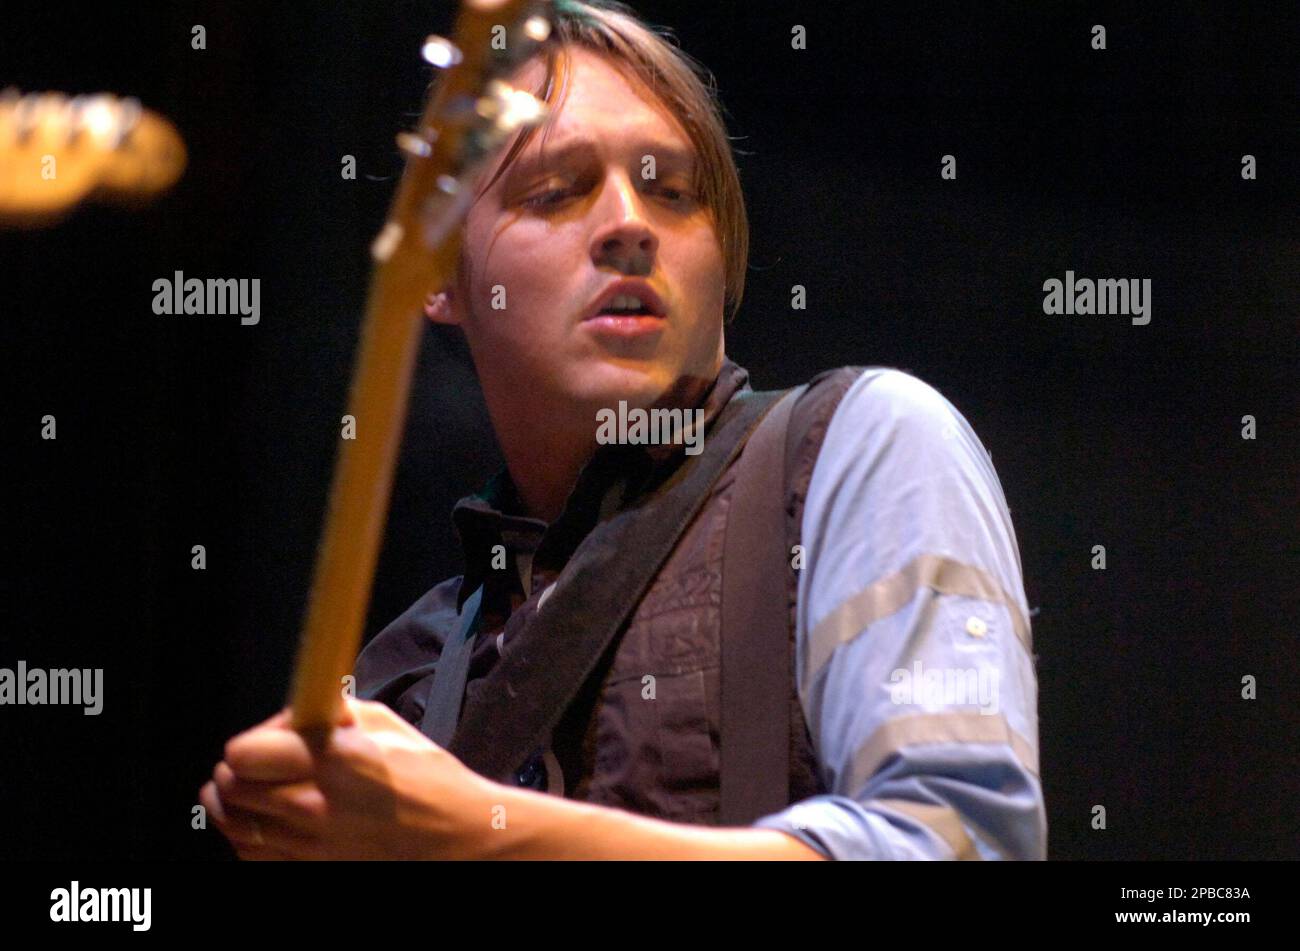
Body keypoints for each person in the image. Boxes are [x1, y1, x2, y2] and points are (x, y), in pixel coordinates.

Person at [199, 0, 1047, 860]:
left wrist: (477, 834)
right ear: (440, 277)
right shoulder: (408, 677)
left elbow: (963, 844)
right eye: (557, 190)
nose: (631, 225)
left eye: (673, 192)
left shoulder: (856, 447)